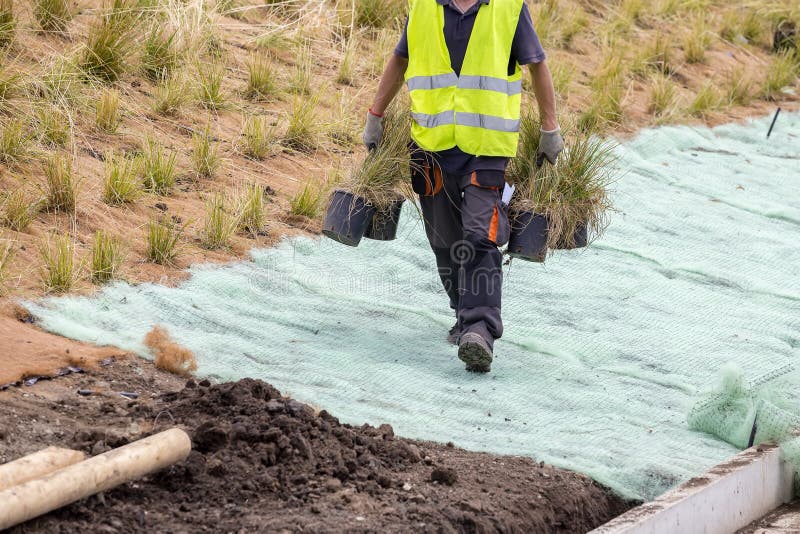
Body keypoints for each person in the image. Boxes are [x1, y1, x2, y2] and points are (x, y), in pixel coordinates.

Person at [363, 0, 563, 373]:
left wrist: (550, 128)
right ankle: (463, 313)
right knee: (443, 240)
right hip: (430, 146)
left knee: (479, 235)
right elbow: (400, 59)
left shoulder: (508, 8)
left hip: (486, 149)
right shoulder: (423, 6)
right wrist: (375, 115)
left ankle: (480, 330)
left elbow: (537, 64)